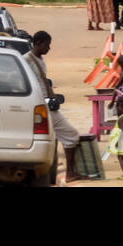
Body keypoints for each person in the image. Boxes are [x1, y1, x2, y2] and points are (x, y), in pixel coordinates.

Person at [23, 30, 86, 182]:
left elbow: (44, 82)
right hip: (41, 106)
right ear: (38, 43)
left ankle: (71, 171)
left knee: (65, 136)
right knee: (70, 135)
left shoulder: (39, 60)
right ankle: (71, 173)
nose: (49, 48)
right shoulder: (27, 60)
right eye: (47, 45)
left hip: (46, 105)